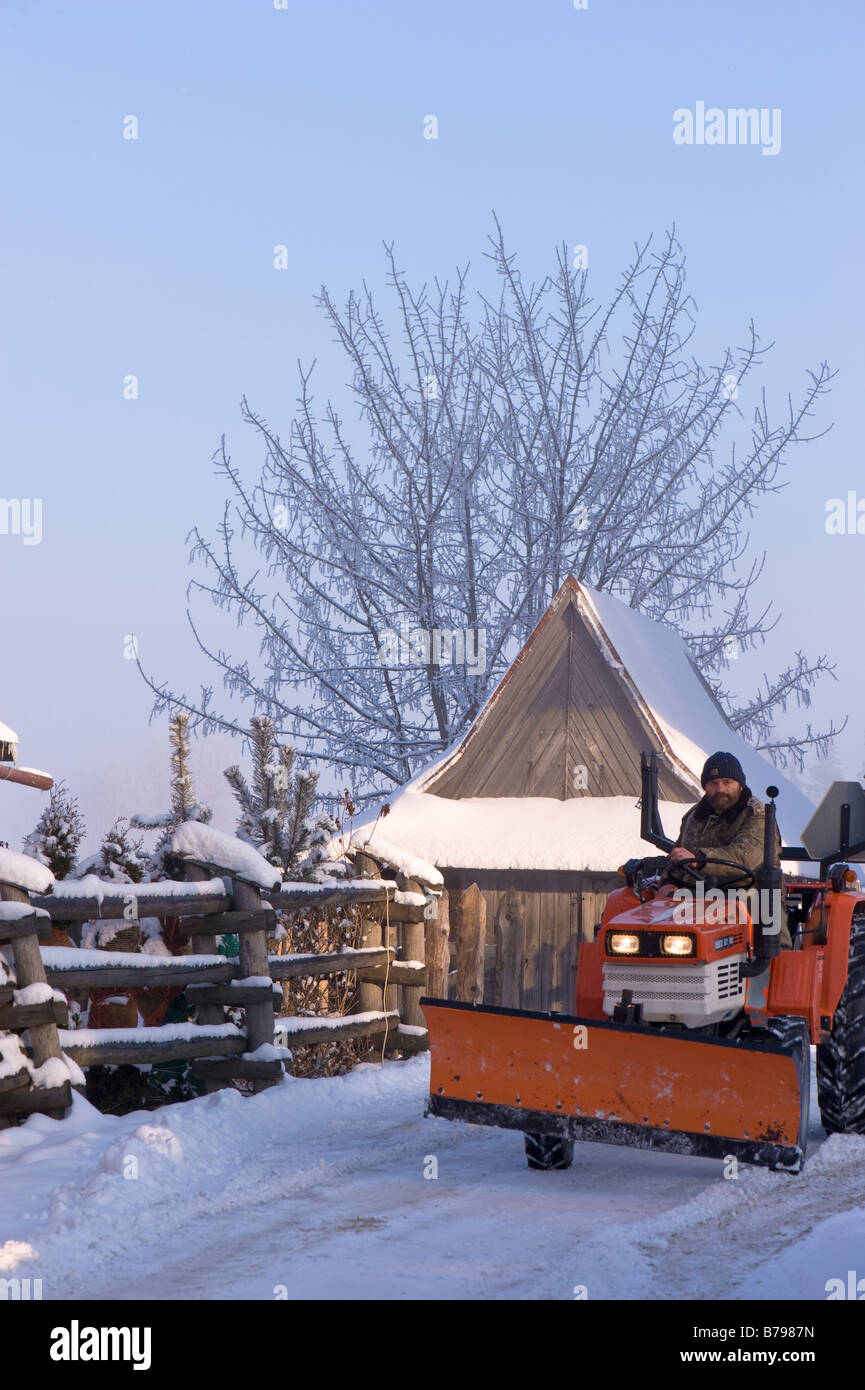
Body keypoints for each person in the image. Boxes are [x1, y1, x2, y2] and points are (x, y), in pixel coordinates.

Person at [668, 751, 792, 948]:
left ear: (740, 785)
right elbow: (678, 855)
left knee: (764, 909)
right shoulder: (693, 817)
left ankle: (775, 968)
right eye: (713, 783)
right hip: (699, 896)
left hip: (748, 893)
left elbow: (744, 858)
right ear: (705, 787)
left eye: (727, 782)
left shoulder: (757, 815)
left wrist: (699, 860)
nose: (720, 789)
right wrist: (664, 883)